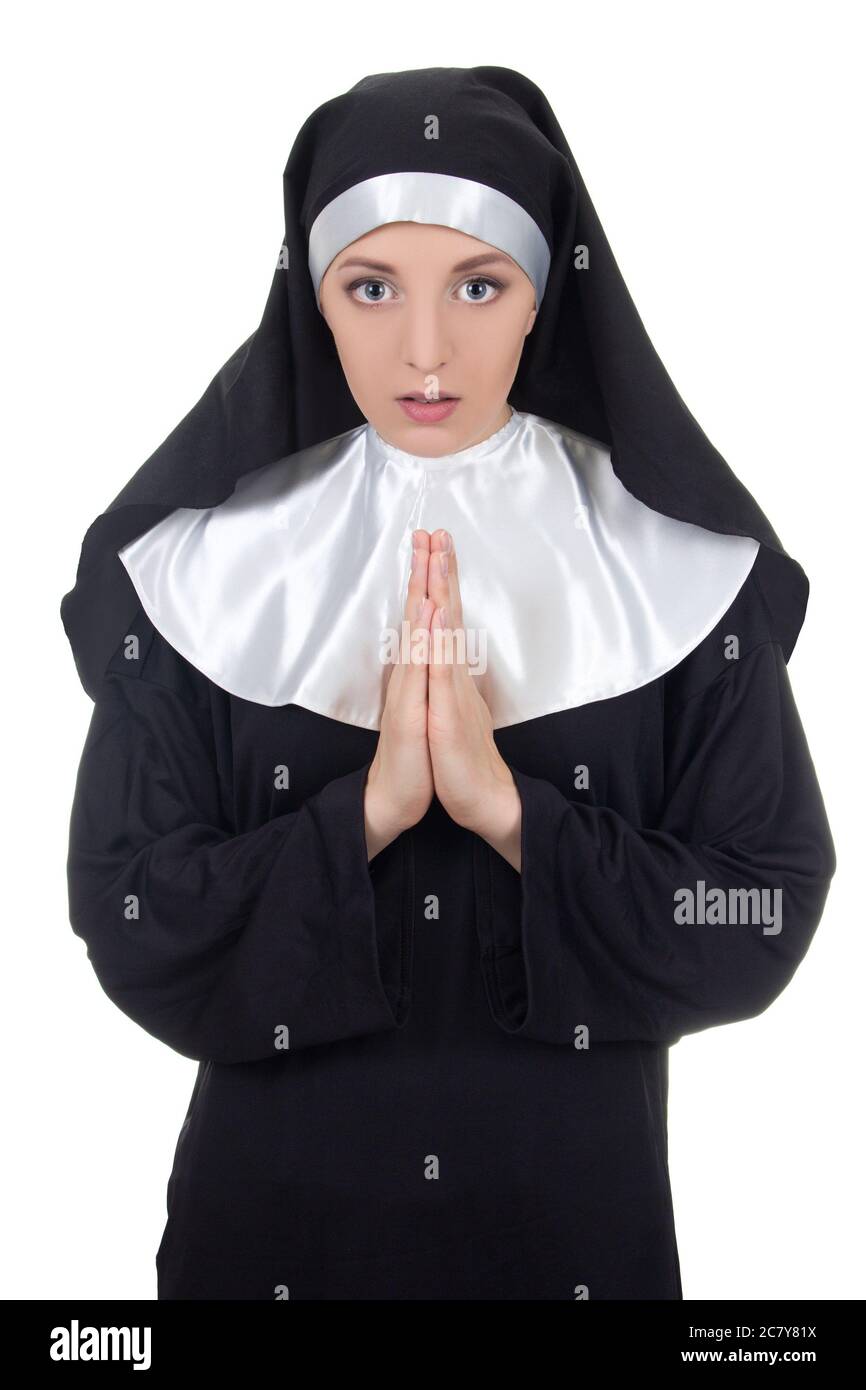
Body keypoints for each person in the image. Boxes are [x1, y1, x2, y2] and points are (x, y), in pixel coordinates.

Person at [60, 66, 836, 1301]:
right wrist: (362, 816)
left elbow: (761, 912)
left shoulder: (677, 571)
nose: (425, 350)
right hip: (266, 1248)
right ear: (314, 296)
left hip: (573, 1246)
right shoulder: (199, 569)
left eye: (478, 286)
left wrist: (512, 816)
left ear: (543, 294)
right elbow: (125, 914)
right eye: (371, 288)